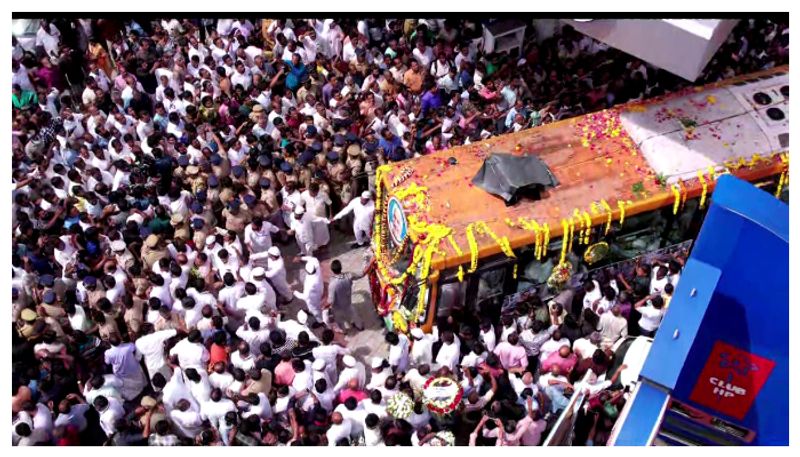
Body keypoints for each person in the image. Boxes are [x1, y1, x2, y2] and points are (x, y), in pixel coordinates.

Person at [326, 259, 365, 332]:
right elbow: (362, 274)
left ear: (332, 270)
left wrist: (324, 306)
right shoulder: (348, 275)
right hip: (347, 302)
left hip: (338, 307)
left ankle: (344, 330)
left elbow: (331, 300)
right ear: (341, 267)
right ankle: (360, 326)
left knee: (339, 320)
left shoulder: (332, 284)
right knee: (354, 314)